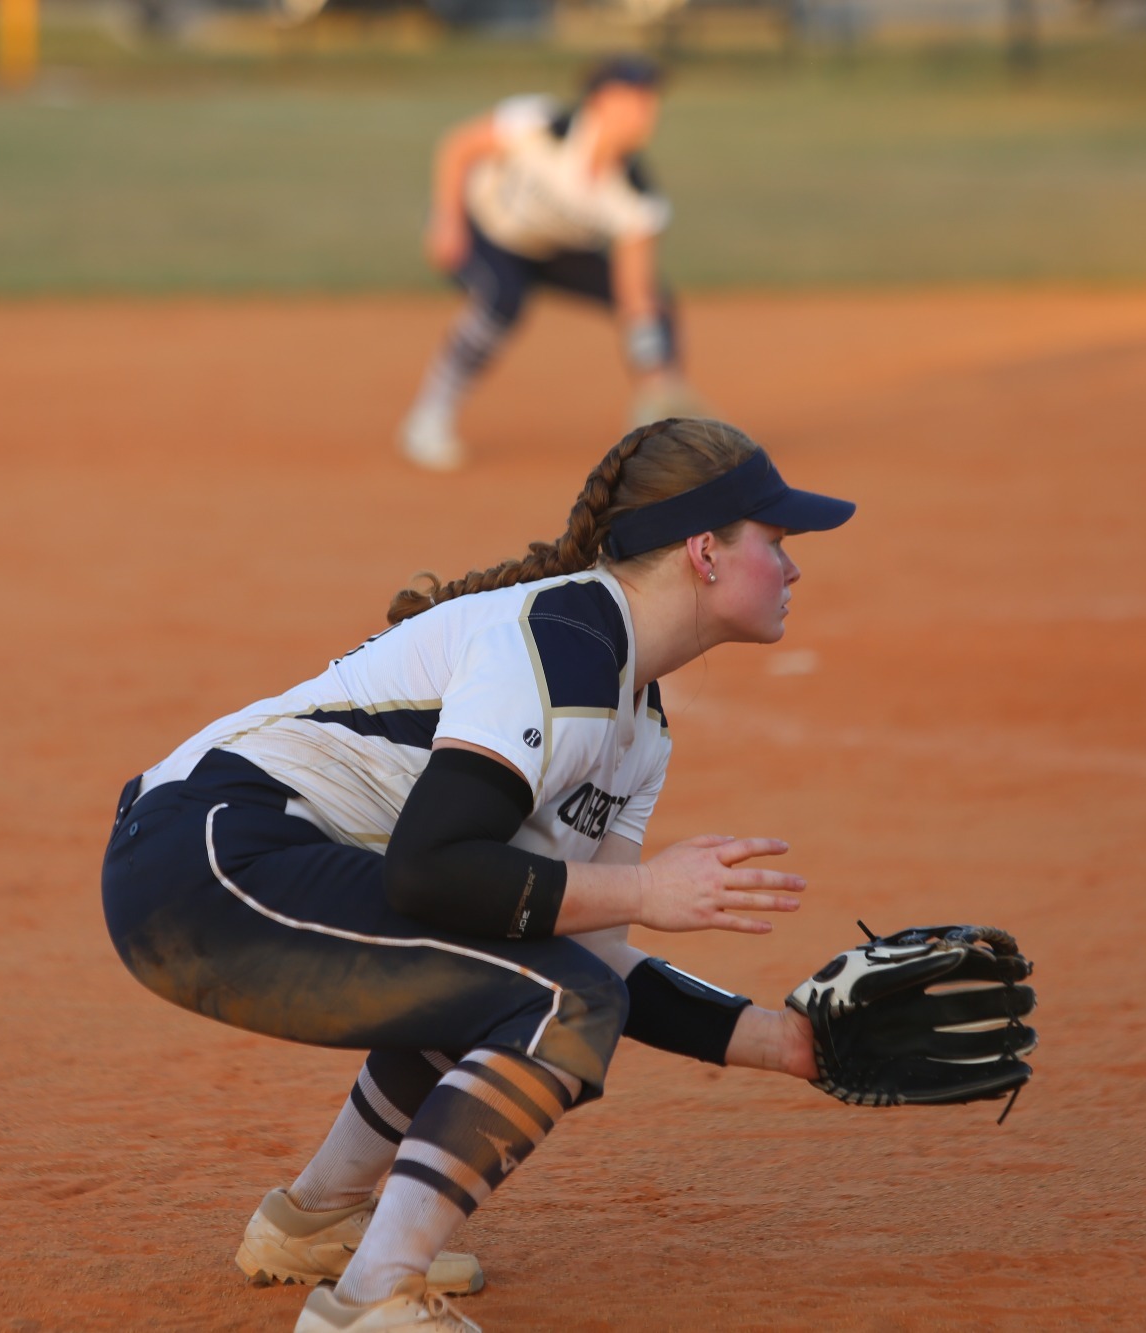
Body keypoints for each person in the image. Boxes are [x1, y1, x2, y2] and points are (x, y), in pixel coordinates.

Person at [102, 418, 854, 1331]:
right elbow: (432, 873)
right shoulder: (562, 641)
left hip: (224, 869)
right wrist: (650, 891)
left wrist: (776, 1041)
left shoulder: (637, 725)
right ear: (704, 550)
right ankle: (374, 1297)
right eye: (775, 542)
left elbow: (578, 943)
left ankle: (317, 1219)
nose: (793, 566)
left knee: (532, 967)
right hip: (206, 865)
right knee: (552, 996)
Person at [397, 56, 711, 473]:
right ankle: (428, 418)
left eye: (650, 101)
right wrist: (447, 219)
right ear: (599, 100)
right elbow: (459, 147)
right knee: (502, 298)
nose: (646, 112)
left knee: (656, 303)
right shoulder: (539, 124)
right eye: (634, 99)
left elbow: (634, 294)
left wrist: (654, 372)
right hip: (487, 229)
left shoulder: (637, 195)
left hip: (555, 251)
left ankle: (657, 421)